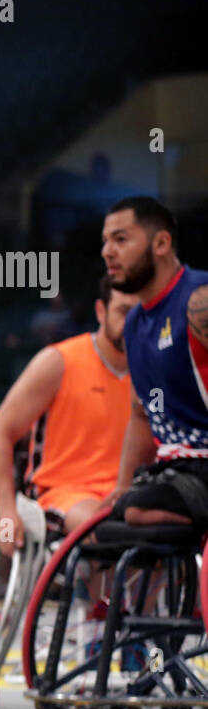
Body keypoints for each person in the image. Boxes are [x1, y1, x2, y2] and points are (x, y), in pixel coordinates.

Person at [0, 277, 137, 556]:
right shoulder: (58, 362)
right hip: (62, 492)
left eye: (142, 313)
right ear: (101, 311)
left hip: (127, 494)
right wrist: (6, 515)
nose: (134, 323)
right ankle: (90, 599)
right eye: (125, 311)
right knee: (106, 527)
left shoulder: (154, 375)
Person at [104, 197, 208, 527]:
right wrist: (121, 486)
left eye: (120, 239)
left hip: (202, 462)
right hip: (172, 470)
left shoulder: (200, 300)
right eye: (105, 241)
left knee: (138, 510)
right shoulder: (135, 323)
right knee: (106, 521)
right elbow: (142, 413)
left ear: (161, 243)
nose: (107, 251)